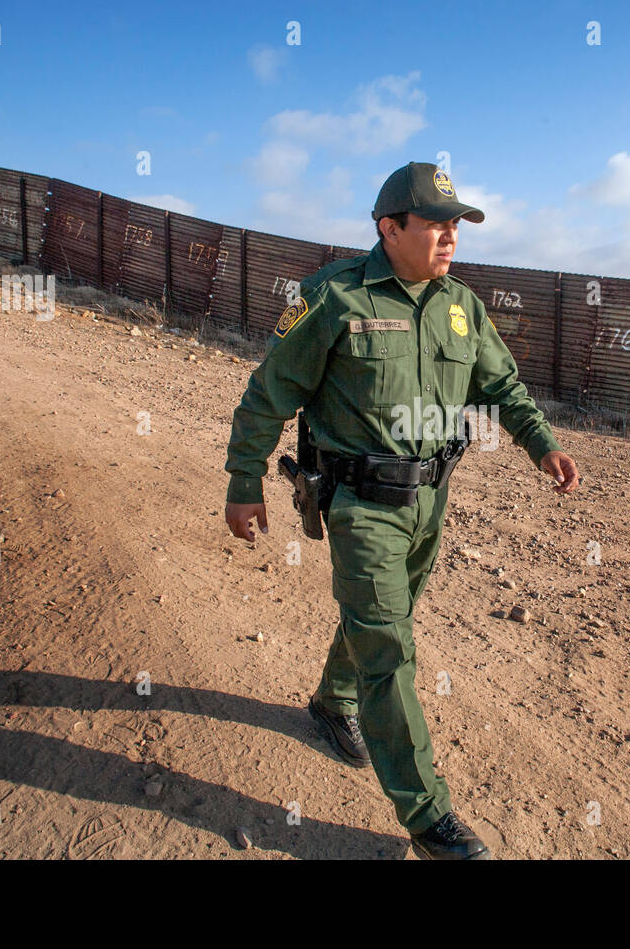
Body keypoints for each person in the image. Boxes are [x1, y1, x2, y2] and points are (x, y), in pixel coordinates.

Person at [223, 161, 580, 859]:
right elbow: (270, 391)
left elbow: (501, 382)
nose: (450, 237)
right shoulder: (334, 297)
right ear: (389, 228)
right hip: (359, 504)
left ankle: (331, 704)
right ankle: (428, 819)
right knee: (389, 648)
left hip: (430, 499)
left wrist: (542, 445)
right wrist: (243, 481)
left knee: (383, 618)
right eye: (436, 224)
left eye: (457, 224)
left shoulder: (461, 306)